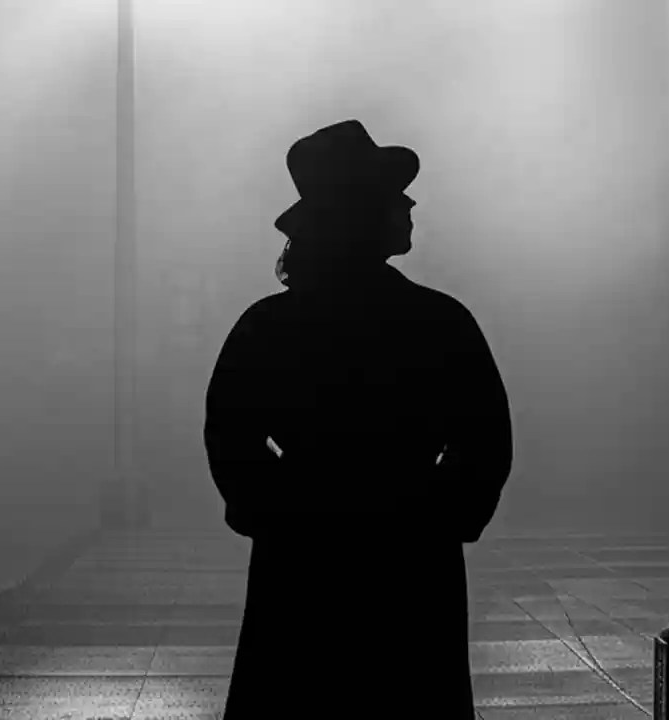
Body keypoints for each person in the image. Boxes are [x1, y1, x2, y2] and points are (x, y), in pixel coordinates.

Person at [203, 119, 513, 718]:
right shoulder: (439, 322)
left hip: (300, 564)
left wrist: (281, 513)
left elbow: (230, 438)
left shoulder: (268, 326)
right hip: (412, 565)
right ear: (363, 215)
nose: (409, 203)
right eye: (392, 194)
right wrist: (436, 517)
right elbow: (484, 442)